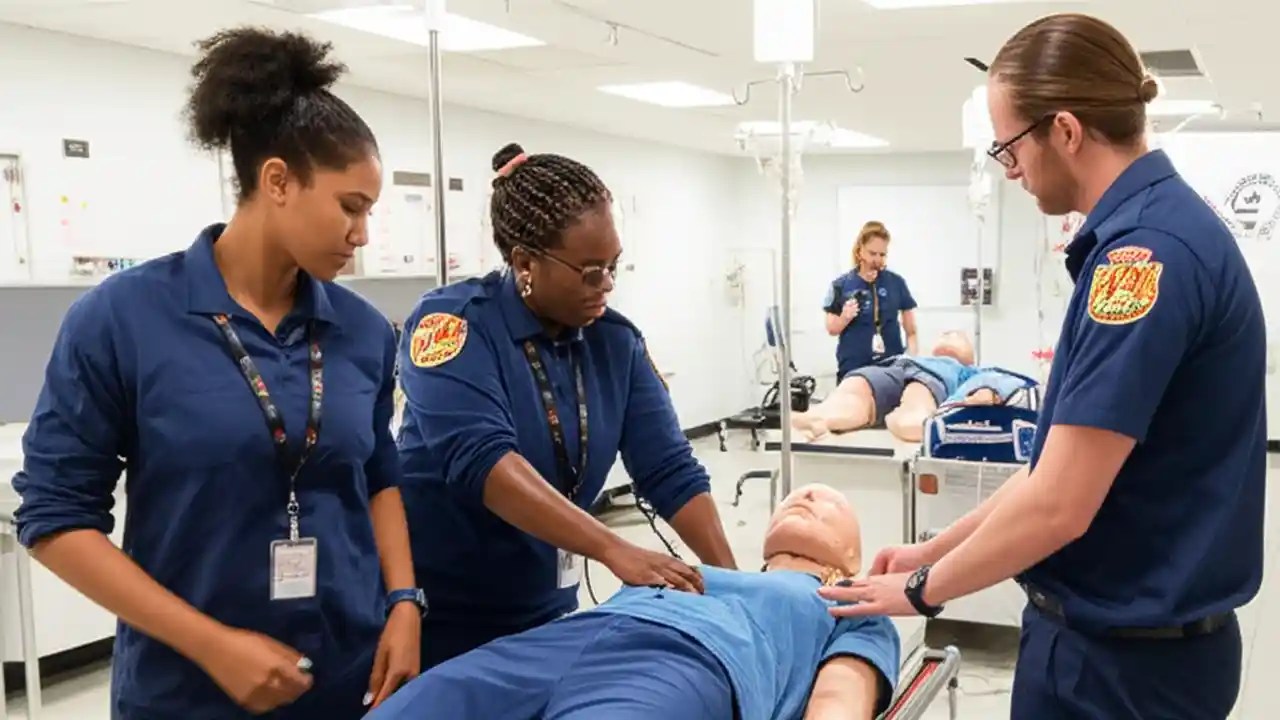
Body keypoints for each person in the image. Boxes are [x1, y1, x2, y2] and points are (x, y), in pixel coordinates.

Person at [823, 13, 1265, 720]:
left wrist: (920, 592)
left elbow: (1060, 505)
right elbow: (1049, 472)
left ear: (1064, 130)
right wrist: (930, 551)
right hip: (1127, 653)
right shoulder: (1163, 229)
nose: (1012, 171)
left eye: (1010, 148)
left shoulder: (1142, 260)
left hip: (1121, 672)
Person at [9, 28, 423, 718]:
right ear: (279, 181)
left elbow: (378, 472)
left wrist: (405, 601)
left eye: (370, 212)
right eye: (351, 207)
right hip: (186, 689)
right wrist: (211, 645)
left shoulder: (362, 332)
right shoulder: (124, 319)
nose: (363, 234)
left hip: (346, 673)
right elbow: (53, 520)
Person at [396, 143, 738, 670]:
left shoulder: (614, 343)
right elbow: (482, 461)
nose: (606, 286)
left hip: (548, 609)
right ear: (524, 262)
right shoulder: (453, 326)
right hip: (441, 616)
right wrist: (610, 547)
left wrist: (732, 586)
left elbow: (669, 468)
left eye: (613, 267)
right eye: (588, 271)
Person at [365, 484, 899, 720]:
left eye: (826, 500)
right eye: (794, 497)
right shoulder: (709, 572)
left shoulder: (851, 599)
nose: (805, 496)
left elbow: (839, 701)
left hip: (688, 661)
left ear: (851, 554)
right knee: (418, 705)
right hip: (572, 634)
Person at [792, 331, 1027, 442]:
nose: (948, 335)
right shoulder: (913, 357)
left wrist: (985, 393)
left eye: (956, 335)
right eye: (945, 334)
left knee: (919, 395)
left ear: (970, 357)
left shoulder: (967, 370)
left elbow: (996, 381)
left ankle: (911, 420)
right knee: (857, 387)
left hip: (930, 378)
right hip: (892, 368)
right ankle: (820, 417)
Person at [823, 221, 919, 380]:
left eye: (882, 254)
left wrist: (911, 360)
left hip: (890, 370)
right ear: (860, 251)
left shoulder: (896, 283)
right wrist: (845, 317)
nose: (878, 259)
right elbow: (832, 329)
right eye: (872, 253)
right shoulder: (841, 285)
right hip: (853, 370)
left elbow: (911, 331)